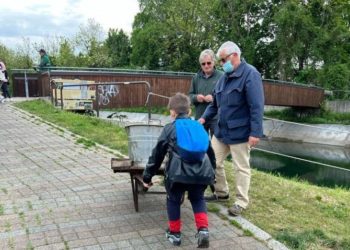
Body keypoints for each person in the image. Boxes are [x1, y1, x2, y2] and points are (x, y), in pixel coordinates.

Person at [199, 41, 264, 216]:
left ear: (234, 56)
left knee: (241, 167)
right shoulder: (223, 78)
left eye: (222, 60)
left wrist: (255, 133)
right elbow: (214, 103)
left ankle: (241, 202)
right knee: (213, 161)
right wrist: (203, 119)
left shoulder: (251, 74)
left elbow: (256, 106)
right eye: (220, 61)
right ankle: (221, 192)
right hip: (221, 131)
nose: (221, 64)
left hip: (241, 132)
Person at [142, 93, 216, 248]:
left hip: (177, 175)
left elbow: (157, 156)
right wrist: (212, 174)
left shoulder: (169, 128)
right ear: (189, 111)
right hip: (202, 173)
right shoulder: (199, 127)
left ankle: (175, 234)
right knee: (197, 199)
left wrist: (147, 177)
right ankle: (203, 231)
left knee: (173, 200)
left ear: (172, 112)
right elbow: (210, 153)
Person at [188, 49, 223, 137]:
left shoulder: (222, 76)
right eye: (203, 64)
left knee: (216, 148)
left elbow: (227, 97)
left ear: (214, 62)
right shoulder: (196, 78)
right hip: (200, 117)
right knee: (199, 146)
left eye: (209, 63)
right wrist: (196, 98)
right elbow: (189, 96)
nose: (206, 66)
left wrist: (213, 98)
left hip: (216, 118)